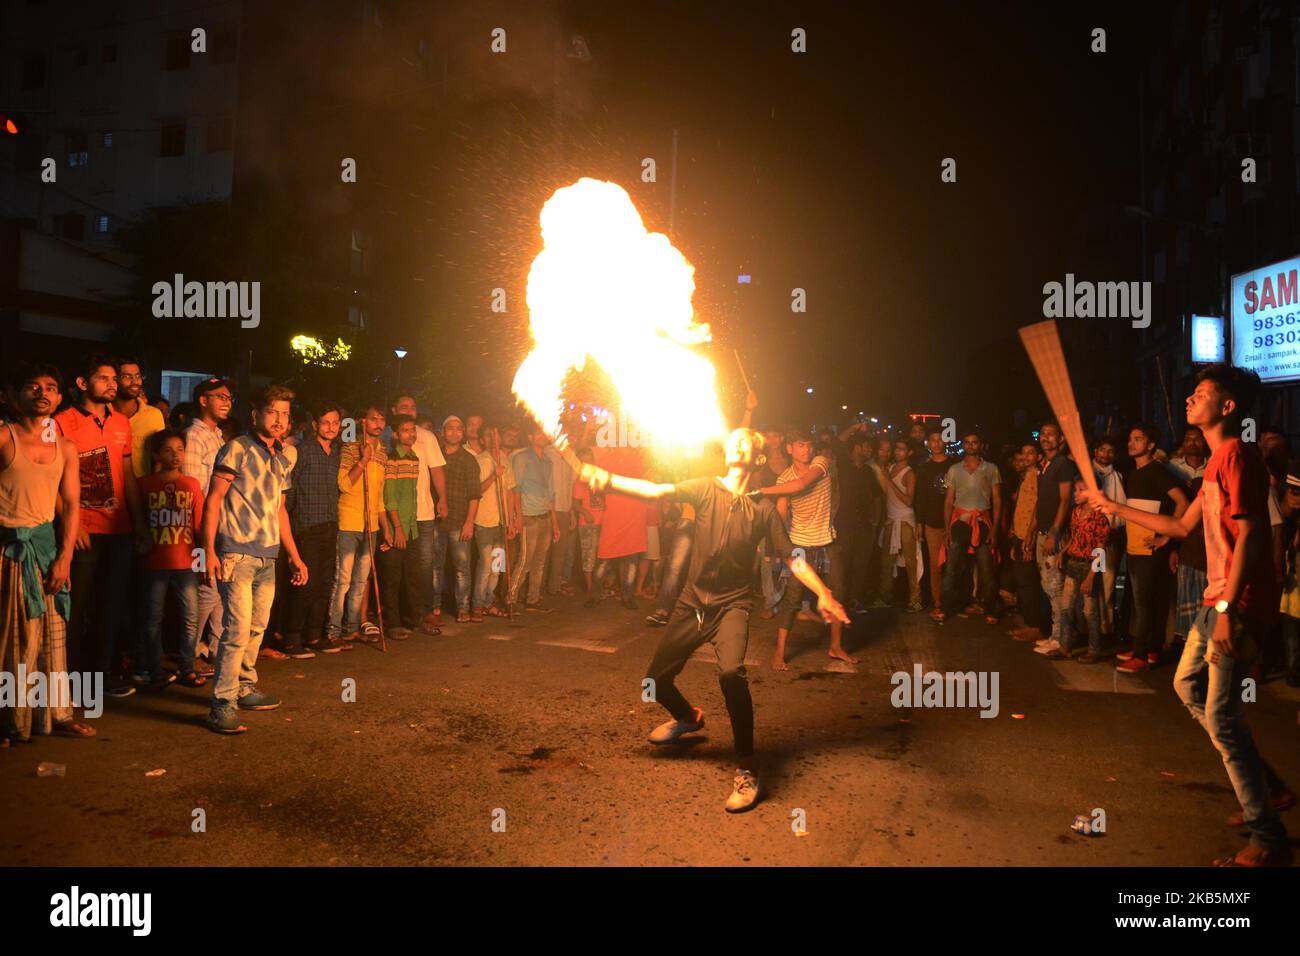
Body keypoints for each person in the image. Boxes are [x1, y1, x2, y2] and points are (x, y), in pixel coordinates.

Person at [578, 428, 849, 813]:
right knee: (654, 682)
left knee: (730, 674)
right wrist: (608, 480)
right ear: (725, 450)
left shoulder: (762, 508)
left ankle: (747, 768)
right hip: (692, 603)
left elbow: (793, 557)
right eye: (734, 438)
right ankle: (689, 718)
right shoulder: (705, 488)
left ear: (757, 458)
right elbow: (654, 490)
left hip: (732, 606)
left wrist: (822, 592)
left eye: (748, 442)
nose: (738, 442)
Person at [1086, 364, 1291, 867]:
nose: (1188, 399)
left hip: (1233, 604)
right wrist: (1113, 508)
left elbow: (1253, 537)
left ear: (1226, 407)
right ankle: (1262, 787)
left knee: (1221, 714)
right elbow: (1179, 525)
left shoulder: (1238, 457)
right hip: (1217, 601)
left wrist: (1225, 610)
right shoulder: (1217, 462)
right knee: (1187, 688)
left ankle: (1267, 838)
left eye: (1200, 394)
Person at [201, 385, 308, 734]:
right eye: (273, 412)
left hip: (267, 555)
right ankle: (222, 703)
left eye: (285, 414)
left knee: (257, 627)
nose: (279, 420)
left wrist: (293, 555)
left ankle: (245, 687)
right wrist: (209, 551)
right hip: (235, 553)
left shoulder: (283, 456)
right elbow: (213, 501)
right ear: (256, 414)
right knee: (235, 630)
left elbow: (279, 510)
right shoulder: (237, 449)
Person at [0, 363, 95, 744]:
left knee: (53, 636)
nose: (42, 392)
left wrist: (64, 557)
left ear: (59, 398)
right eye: (32, 386)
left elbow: (72, 506)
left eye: (50, 387)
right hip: (8, 551)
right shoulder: (4, 438)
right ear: (16, 396)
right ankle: (8, 721)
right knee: (13, 640)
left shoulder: (66, 447)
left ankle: (57, 714)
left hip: (46, 550)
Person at [55, 355, 148, 699]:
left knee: (112, 606)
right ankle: (68, 683)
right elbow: (52, 479)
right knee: (76, 608)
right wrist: (71, 522)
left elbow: (127, 476)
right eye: (104, 379)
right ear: (82, 383)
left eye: (114, 379)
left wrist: (138, 524)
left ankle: (100, 677)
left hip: (119, 530)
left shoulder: (122, 423)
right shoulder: (62, 422)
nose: (113, 384)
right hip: (83, 530)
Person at [759, 429, 853, 669]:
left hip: (827, 540)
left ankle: (835, 646)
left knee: (837, 593)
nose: (807, 449)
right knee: (792, 600)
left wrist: (759, 492)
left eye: (809, 444)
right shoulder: (783, 479)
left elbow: (800, 485)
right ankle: (779, 653)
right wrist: (775, 543)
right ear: (789, 448)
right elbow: (780, 513)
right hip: (799, 543)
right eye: (801, 445)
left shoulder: (821, 462)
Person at [1117, 423, 1189, 673]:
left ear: (1151, 445)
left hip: (1149, 548)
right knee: (1143, 602)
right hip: (1134, 545)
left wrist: (1166, 538)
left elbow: (1182, 501)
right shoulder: (1134, 473)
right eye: (1130, 439)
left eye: (1138, 439)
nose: (1131, 443)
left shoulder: (1157, 471)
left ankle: (1141, 654)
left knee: (1145, 603)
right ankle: (1150, 649)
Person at [137, 430, 202, 689]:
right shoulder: (144, 485)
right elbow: (138, 523)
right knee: (152, 618)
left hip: (186, 561)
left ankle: (187, 667)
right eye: (168, 450)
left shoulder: (192, 484)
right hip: (154, 563)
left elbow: (198, 527)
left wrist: (204, 560)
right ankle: (155, 669)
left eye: (180, 449)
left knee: (191, 617)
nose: (176, 455)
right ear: (156, 454)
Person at [282, 401, 343, 655]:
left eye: (335, 422)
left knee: (324, 583)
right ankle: (291, 637)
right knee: (304, 582)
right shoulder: (303, 451)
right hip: (306, 526)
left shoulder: (336, 453)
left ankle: (315, 635)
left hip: (330, 524)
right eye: (326, 422)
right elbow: (291, 490)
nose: (331, 427)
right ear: (316, 425)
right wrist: (292, 528)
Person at [182, 378, 234, 673]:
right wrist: (205, 537)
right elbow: (193, 490)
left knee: (218, 589)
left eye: (229, 398)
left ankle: (216, 649)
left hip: (220, 524)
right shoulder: (194, 436)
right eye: (220, 397)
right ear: (203, 400)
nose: (227, 402)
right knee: (205, 590)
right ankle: (188, 655)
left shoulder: (218, 436)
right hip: (203, 527)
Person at [327, 403, 388, 644]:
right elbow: (343, 484)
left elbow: (380, 494)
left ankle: (351, 627)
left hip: (370, 524)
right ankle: (333, 630)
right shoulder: (350, 448)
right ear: (363, 422)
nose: (379, 423)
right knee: (342, 579)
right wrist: (362, 461)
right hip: (349, 521)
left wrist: (384, 527)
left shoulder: (383, 452)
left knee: (361, 580)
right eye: (374, 419)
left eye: (382, 419)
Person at [390, 394, 447, 630]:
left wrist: (442, 498)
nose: (409, 410)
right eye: (404, 406)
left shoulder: (426, 437)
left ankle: (420, 611)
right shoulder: (386, 436)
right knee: (394, 567)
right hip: (394, 513)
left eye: (413, 407)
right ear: (394, 410)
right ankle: (394, 614)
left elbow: (436, 471)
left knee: (422, 565)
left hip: (422, 512)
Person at [938, 431, 1001, 625]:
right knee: (952, 568)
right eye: (967, 442)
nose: (971, 446)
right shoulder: (955, 469)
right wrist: (947, 529)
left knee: (986, 569)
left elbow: (997, 500)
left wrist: (994, 530)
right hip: (960, 523)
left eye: (975, 442)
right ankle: (945, 608)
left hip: (982, 522)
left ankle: (990, 609)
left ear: (980, 445)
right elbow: (949, 501)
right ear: (963, 445)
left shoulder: (991, 469)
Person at [1043, 477, 1110, 662]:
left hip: (1090, 566)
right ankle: (1065, 647)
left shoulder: (1100, 517)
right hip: (1074, 563)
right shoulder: (1076, 512)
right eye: (1075, 490)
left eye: (1080, 490)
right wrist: (1063, 552)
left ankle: (1094, 650)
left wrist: (1091, 577)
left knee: (1090, 612)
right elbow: (1075, 537)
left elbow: (1100, 549)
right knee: (1066, 607)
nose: (1075, 494)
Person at [1028, 422, 1077, 654]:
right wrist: (1032, 532)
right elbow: (1041, 501)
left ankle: (1061, 640)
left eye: (1051, 434)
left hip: (1054, 534)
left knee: (1056, 587)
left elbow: (1066, 501)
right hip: (1042, 532)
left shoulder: (1064, 465)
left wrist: (1054, 533)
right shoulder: (1044, 465)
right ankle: (1055, 635)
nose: (1046, 437)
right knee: (1048, 585)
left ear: (1060, 440)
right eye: (1043, 433)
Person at [430, 415, 480, 624]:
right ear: (443, 432)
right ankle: (434, 607)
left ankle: (462, 608)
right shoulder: (434, 456)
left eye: (459, 428)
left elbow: (475, 494)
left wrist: (470, 522)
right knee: (435, 566)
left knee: (462, 567)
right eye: (450, 428)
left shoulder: (469, 460)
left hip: (459, 521)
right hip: (434, 521)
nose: (454, 432)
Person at [378, 414, 423, 638]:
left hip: (412, 526)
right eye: (405, 430)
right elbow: (390, 498)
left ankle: (415, 619)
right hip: (399, 529)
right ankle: (393, 622)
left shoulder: (414, 458)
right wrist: (397, 528)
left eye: (413, 429)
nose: (411, 434)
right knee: (392, 578)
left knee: (413, 576)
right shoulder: (392, 459)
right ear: (395, 434)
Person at [508, 422, 560, 611]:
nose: (543, 436)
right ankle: (510, 599)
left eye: (544, 433)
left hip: (544, 515)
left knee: (539, 561)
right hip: (528, 515)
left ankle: (533, 599)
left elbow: (550, 494)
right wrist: (518, 516)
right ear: (530, 437)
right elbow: (516, 488)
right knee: (525, 561)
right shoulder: (522, 458)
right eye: (538, 433)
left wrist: (554, 523)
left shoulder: (548, 461)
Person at [469, 421, 514, 620]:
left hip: (501, 521)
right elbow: (475, 491)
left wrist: (512, 519)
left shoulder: (505, 459)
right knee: (485, 565)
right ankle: (477, 605)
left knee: (497, 567)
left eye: (495, 435)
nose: (492, 439)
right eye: (487, 436)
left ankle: (489, 601)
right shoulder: (479, 461)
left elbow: (511, 491)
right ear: (482, 439)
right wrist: (494, 476)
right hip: (484, 521)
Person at [1091, 435, 1127, 637]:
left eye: (1110, 451)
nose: (1106, 454)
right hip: (1088, 537)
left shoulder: (1118, 476)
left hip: (1110, 538)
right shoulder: (1086, 473)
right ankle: (1089, 627)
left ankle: (1105, 628)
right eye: (1102, 450)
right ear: (1095, 452)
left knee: (1107, 581)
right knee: (1088, 581)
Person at [913, 428, 953, 611]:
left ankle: (954, 599)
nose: (937, 443)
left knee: (953, 564)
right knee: (935, 564)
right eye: (933, 440)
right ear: (928, 443)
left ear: (945, 442)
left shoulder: (955, 466)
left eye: (940, 439)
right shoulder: (924, 469)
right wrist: (919, 523)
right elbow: (920, 498)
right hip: (931, 523)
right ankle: (938, 601)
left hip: (954, 522)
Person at [881, 439, 921, 611]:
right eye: (896, 448)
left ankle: (916, 600)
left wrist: (890, 482)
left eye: (902, 449)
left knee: (911, 562)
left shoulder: (909, 473)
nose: (898, 452)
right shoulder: (889, 469)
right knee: (887, 562)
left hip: (904, 521)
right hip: (891, 519)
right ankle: (884, 597)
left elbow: (909, 501)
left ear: (909, 452)